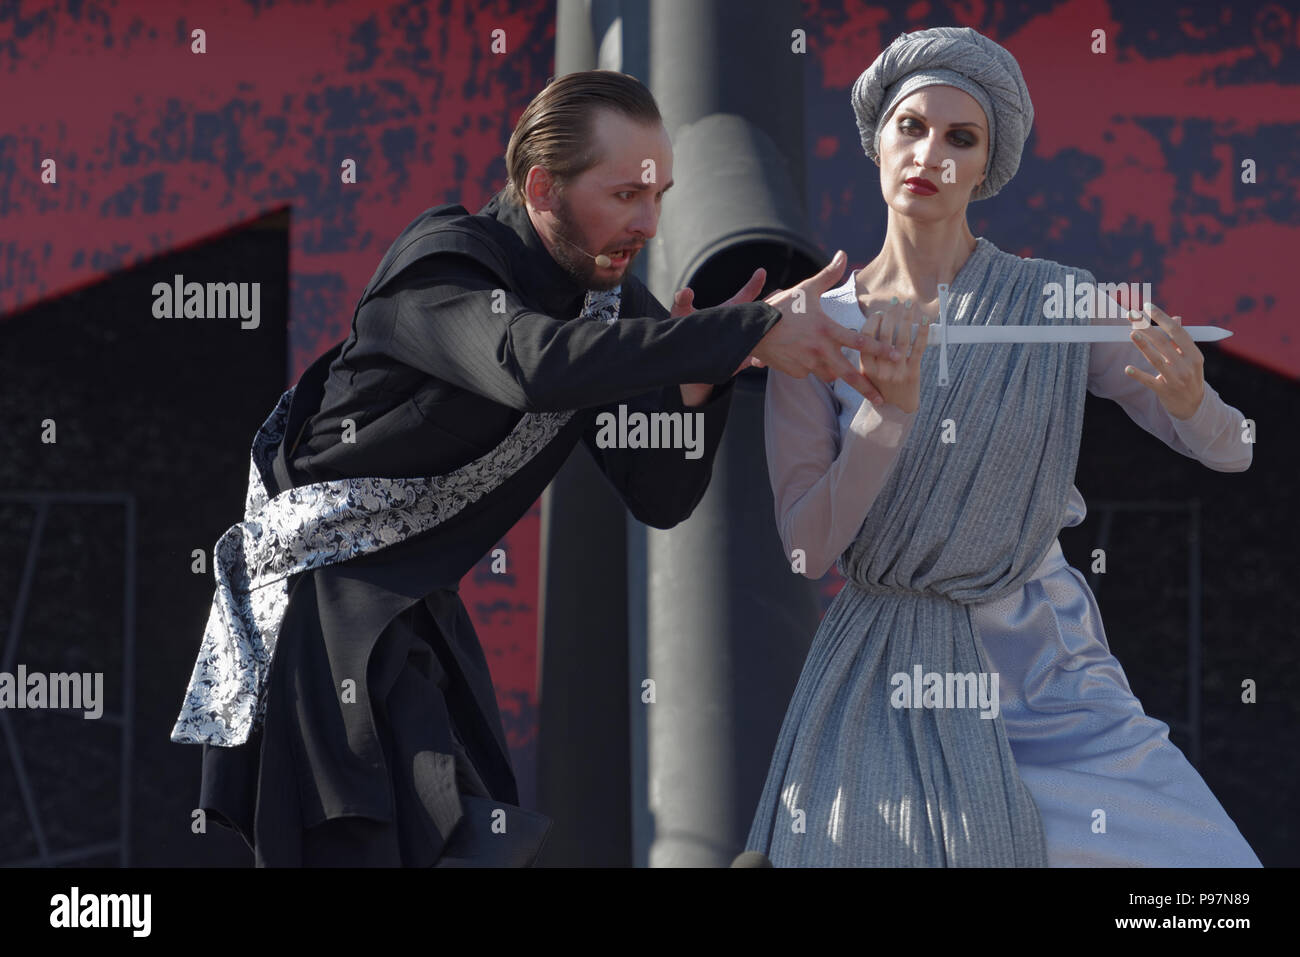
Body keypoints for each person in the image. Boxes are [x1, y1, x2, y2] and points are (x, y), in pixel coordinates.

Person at [170, 69, 887, 867]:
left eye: (660, 195)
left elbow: (660, 493)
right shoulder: (442, 265)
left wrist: (695, 387)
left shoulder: (607, 308)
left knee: (485, 843)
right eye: (625, 196)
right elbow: (530, 364)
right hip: (322, 621)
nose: (649, 223)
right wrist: (744, 330)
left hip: (411, 617)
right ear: (542, 185)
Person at [745, 27, 1260, 866]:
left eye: (961, 138)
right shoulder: (814, 327)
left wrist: (1196, 402)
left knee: (1210, 888)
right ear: (876, 139)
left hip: (1054, 679)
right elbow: (808, 548)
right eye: (910, 126)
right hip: (885, 680)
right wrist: (891, 417)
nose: (930, 153)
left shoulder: (1053, 301)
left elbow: (1234, 449)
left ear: (988, 166)